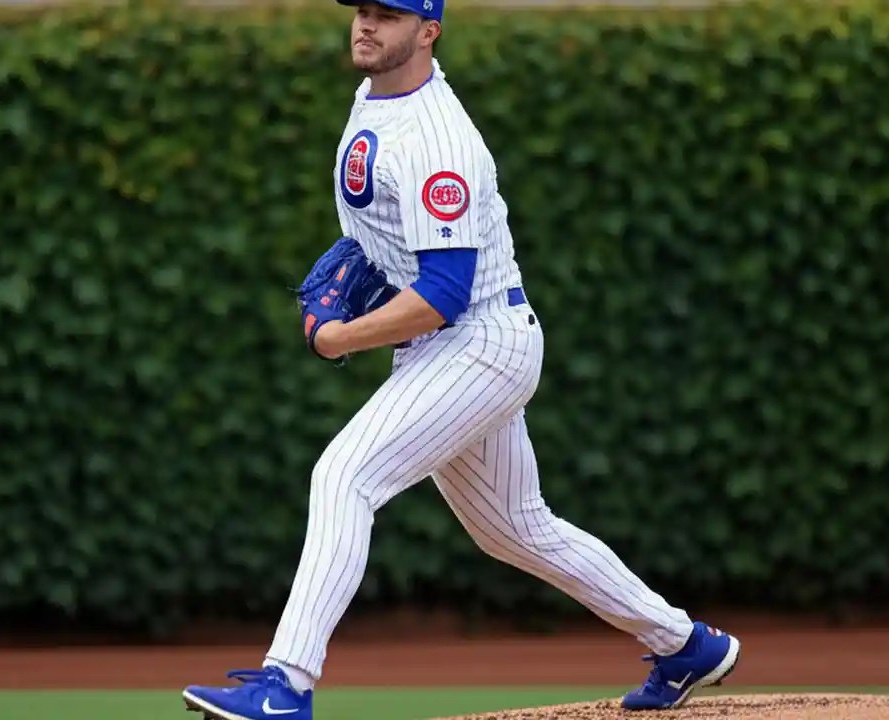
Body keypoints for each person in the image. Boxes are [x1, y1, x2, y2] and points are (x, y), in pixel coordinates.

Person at [182, 2, 740, 717]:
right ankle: (684, 644)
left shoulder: (437, 138)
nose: (366, 25)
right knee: (518, 528)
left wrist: (338, 337)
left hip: (478, 342)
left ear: (429, 32)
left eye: (389, 13)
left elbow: (442, 292)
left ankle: (286, 684)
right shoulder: (377, 99)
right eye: (362, 10)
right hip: (450, 346)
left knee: (344, 476)